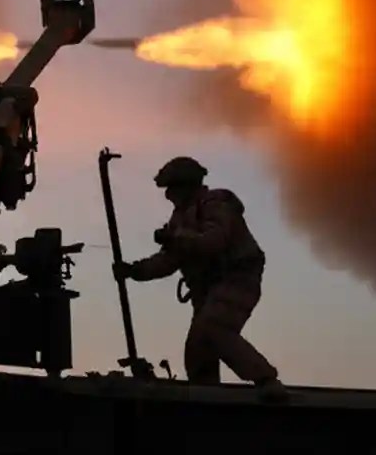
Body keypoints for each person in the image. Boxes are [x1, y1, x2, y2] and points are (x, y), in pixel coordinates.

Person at [113, 156, 287, 401]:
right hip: (206, 292)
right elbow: (168, 261)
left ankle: (266, 380)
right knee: (197, 350)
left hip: (237, 279)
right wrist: (134, 271)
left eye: (171, 188)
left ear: (186, 185)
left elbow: (213, 241)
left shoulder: (216, 204)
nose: (168, 196)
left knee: (214, 327)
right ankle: (205, 398)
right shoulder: (180, 219)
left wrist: (176, 238)